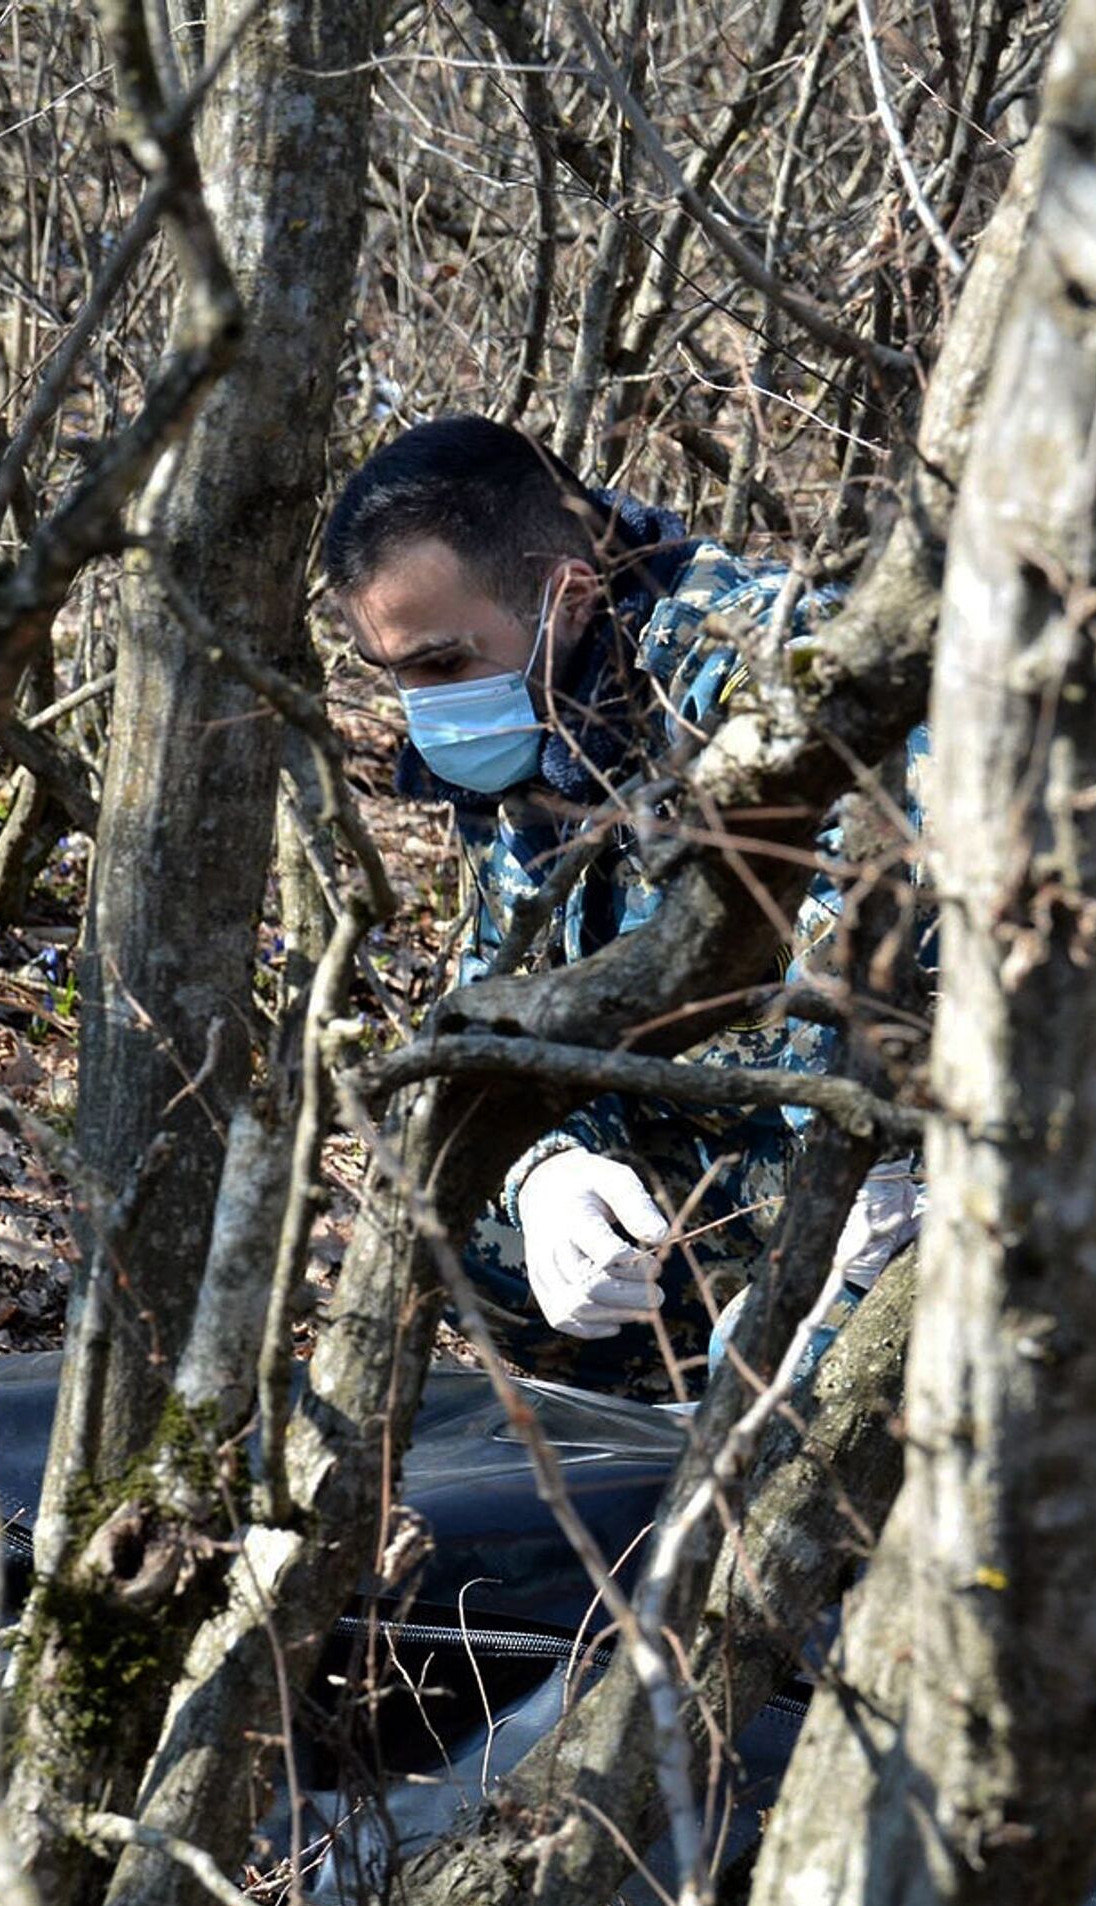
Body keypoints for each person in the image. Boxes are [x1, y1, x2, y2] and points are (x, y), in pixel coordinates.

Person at [326, 415, 920, 1398]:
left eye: (439, 665)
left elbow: (984, 958)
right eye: (396, 676)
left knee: (800, 1427)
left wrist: (884, 1194)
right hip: (703, 1178)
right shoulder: (529, 717)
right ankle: (657, 1454)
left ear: (567, 594)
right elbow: (498, 1000)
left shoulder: (775, 682)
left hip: (892, 1191)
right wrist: (547, 1169)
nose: (424, 711)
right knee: (457, 1195)